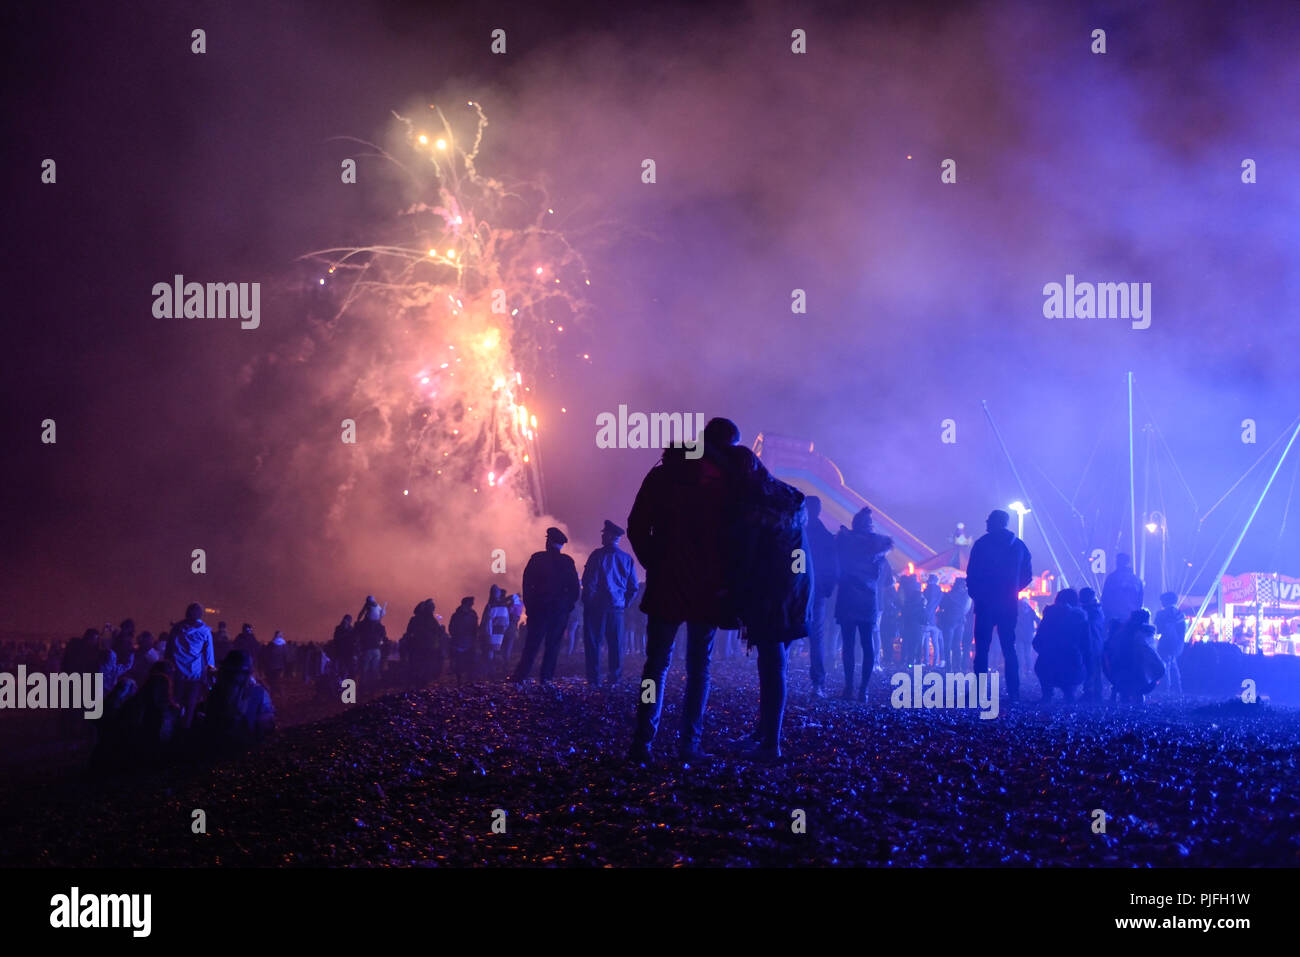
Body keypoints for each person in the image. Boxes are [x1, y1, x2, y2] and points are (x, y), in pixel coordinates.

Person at [626, 417, 743, 765]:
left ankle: (642, 743)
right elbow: (738, 540)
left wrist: (655, 564)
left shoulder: (665, 472)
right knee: (699, 668)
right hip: (708, 588)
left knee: (656, 665)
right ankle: (689, 745)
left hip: (667, 582)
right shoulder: (729, 483)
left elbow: (636, 526)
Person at [728, 445, 812, 761]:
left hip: (772, 592)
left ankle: (770, 743)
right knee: (775, 664)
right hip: (795, 588)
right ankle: (764, 733)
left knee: (772, 665)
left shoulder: (753, 508)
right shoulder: (786, 498)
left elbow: (747, 557)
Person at [965, 509, 1033, 702]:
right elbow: (1027, 574)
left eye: (988, 520)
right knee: (1009, 648)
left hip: (985, 603)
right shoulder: (1019, 546)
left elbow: (972, 573)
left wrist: (976, 593)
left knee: (982, 649)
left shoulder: (982, 544)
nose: (986, 523)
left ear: (994, 522)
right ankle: (1014, 691)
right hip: (1008, 604)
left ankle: (979, 692)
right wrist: (1013, 589)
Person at [833, 507, 893, 701]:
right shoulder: (879, 548)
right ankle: (863, 691)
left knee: (848, 644)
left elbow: (836, 566)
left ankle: (849, 688)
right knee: (867, 644)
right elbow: (886, 581)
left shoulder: (844, 543)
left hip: (848, 598)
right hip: (868, 600)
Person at [513, 528, 581, 683]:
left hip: (539, 610)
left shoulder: (537, 559)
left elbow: (527, 585)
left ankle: (521, 675)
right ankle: (546, 677)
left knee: (532, 645)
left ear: (548, 542)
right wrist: (567, 607)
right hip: (559, 612)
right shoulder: (567, 562)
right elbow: (574, 589)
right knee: (553, 646)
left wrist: (530, 607)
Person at [581, 520, 640, 686]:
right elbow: (633, 587)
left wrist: (589, 602)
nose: (602, 535)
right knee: (616, 645)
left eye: (604, 533)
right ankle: (615, 678)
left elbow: (589, 581)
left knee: (593, 643)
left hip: (597, 607)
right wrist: (624, 604)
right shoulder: (627, 559)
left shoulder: (597, 556)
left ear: (610, 536)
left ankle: (594, 678)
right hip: (617, 609)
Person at [198, 650, 276, 751]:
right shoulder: (259, 692)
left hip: (218, 745)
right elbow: (268, 724)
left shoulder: (217, 690)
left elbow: (210, 718)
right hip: (247, 745)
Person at [801, 496, 839, 697]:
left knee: (788, 632)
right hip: (816, 592)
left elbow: (795, 559)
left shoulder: (800, 531)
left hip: (801, 589)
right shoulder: (824, 535)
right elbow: (833, 565)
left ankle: (779, 677)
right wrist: (826, 587)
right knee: (817, 637)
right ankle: (818, 683)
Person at [1032, 589, 1089, 701]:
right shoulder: (1081, 618)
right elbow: (1087, 646)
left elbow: (1037, 642)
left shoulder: (1049, 616)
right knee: (1073, 668)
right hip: (1073, 665)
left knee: (1043, 666)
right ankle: (1069, 693)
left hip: (1047, 664)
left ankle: (1047, 693)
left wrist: (1045, 652)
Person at [167, 602, 215, 728]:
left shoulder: (176, 629)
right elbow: (209, 657)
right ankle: (184, 733)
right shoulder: (205, 632)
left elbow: (168, 651)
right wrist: (211, 675)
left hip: (177, 673)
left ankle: (170, 732)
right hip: (195, 675)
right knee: (190, 705)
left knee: (175, 703)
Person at [1104, 609, 1164, 704]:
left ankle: (1124, 698)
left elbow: (1112, 652)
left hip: (1121, 675)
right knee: (1135, 691)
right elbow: (1151, 656)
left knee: (1127, 693)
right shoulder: (1144, 636)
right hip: (1138, 677)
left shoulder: (1123, 634)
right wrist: (1159, 671)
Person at [402, 599, 444, 687]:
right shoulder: (431, 621)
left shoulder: (416, 619)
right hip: (425, 648)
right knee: (424, 668)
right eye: (432, 607)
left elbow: (409, 632)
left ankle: (418, 683)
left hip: (420, 648)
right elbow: (437, 633)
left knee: (419, 668)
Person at [1154, 592, 1186, 695]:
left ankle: (1165, 689)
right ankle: (1178, 689)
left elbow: (1158, 630)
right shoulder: (1181, 614)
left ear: (1166, 601)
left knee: (1165, 666)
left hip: (1166, 643)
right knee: (1173, 664)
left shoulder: (1161, 614)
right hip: (1178, 645)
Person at [1101, 553, 1144, 629]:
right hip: (1131, 616)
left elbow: (1105, 597)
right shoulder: (1136, 580)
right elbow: (1140, 600)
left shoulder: (1112, 578)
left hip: (1114, 616)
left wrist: (1105, 613)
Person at [1078, 587, 1107, 701]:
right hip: (1096, 643)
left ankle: (1091, 693)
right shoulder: (1097, 610)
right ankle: (1096, 693)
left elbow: (1089, 628)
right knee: (1094, 668)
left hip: (1092, 643)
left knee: (1091, 668)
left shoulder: (1091, 612)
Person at [938, 577, 972, 671]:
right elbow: (967, 609)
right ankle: (957, 667)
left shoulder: (949, 595)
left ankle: (948, 667)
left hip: (949, 621)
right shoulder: (966, 596)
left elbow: (942, 606)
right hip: (960, 622)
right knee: (957, 645)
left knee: (947, 645)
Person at [482, 586, 512, 675]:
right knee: (495, 651)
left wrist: (487, 632)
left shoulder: (490, 605)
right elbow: (506, 621)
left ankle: (492, 671)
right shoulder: (502, 606)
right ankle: (494, 671)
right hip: (499, 632)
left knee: (491, 651)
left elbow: (487, 620)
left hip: (493, 632)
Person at [449, 597, 480, 684]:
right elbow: (452, 628)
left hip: (468, 641)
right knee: (460, 662)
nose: (472, 604)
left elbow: (475, 627)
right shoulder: (458, 615)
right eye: (471, 602)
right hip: (460, 642)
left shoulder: (471, 614)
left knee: (469, 661)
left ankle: (468, 680)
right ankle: (460, 679)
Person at [899, 576, 927, 664]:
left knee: (906, 643)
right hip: (918, 628)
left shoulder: (907, 605)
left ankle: (903, 660)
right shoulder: (921, 607)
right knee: (916, 644)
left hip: (907, 626)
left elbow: (903, 615)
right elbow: (924, 619)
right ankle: (915, 661)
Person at [331, 614, 358, 679]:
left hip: (344, 652)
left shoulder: (340, 629)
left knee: (344, 670)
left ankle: (343, 684)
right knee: (344, 670)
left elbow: (335, 640)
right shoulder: (350, 629)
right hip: (344, 652)